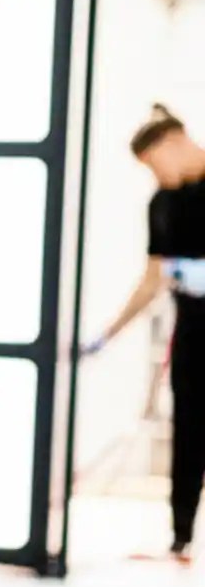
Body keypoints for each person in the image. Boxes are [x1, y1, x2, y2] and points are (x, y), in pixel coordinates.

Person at [85, 104, 205, 563]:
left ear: (176, 141)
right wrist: (107, 335)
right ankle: (181, 537)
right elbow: (152, 278)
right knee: (190, 429)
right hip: (193, 327)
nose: (157, 175)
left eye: (156, 163)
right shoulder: (163, 203)